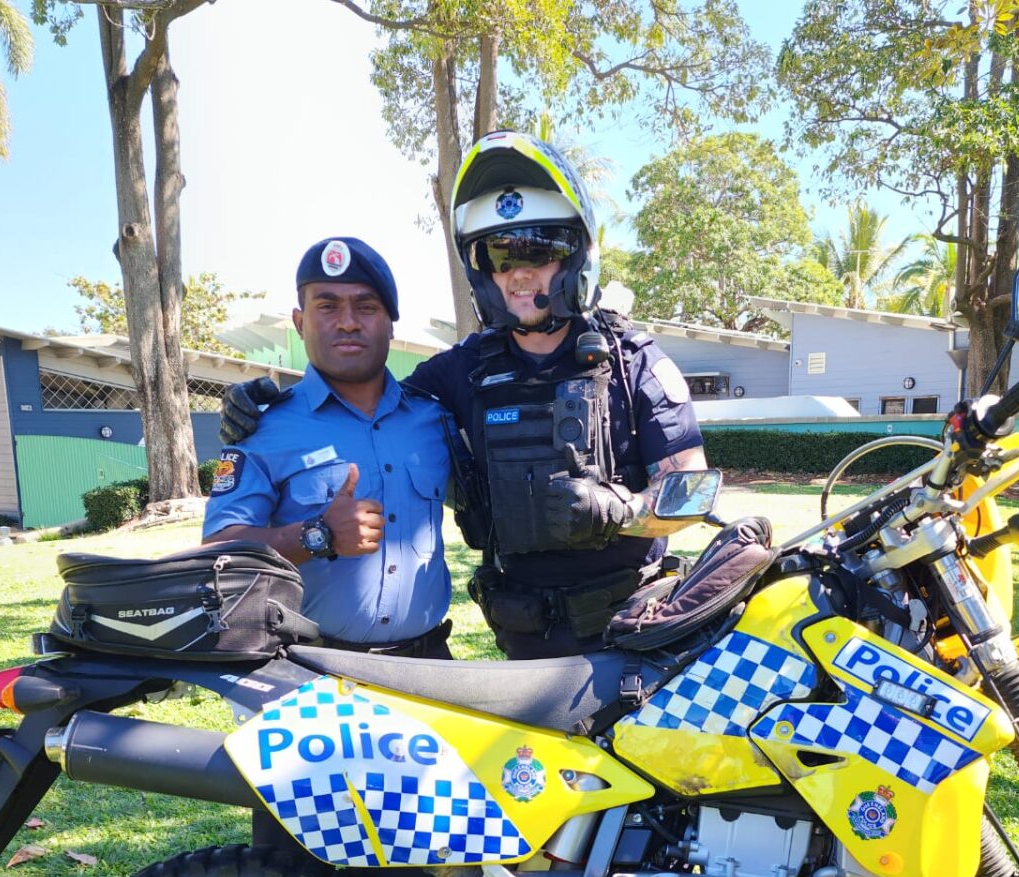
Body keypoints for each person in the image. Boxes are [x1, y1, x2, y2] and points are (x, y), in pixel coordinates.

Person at [223, 132, 709, 660]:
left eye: (540, 250)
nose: (520, 273)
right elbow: (365, 404)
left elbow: (698, 494)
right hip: (525, 641)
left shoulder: (633, 360)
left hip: (633, 630)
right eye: (501, 254)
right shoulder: (459, 372)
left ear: (574, 255)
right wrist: (266, 403)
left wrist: (623, 510)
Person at [204, 235, 457, 660]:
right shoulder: (261, 426)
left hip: (428, 666)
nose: (347, 322)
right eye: (327, 306)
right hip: (312, 668)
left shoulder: (435, 420)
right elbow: (218, 555)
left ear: (391, 324)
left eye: (366, 307)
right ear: (300, 322)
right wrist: (316, 535)